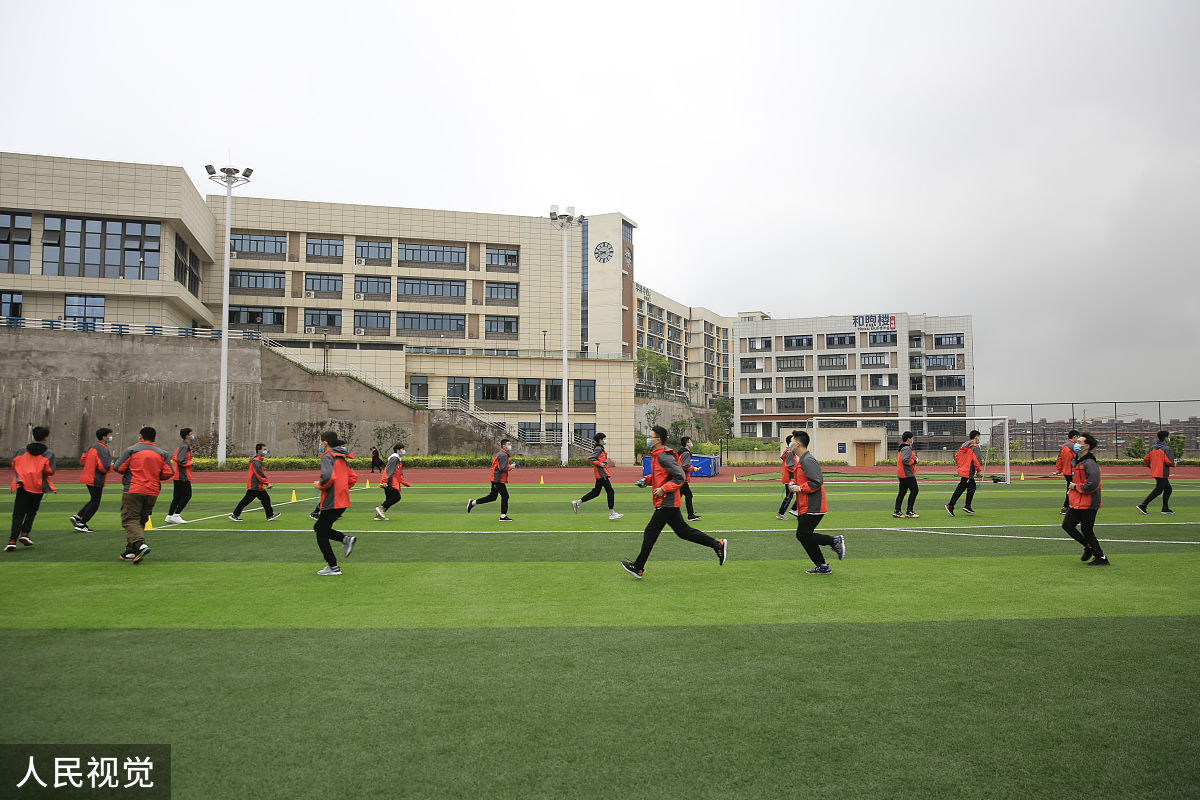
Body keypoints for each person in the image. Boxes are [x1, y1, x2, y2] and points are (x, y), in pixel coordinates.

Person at [620, 425, 726, 579]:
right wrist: (646, 480)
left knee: (651, 532)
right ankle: (718, 545)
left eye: (650, 437)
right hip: (667, 502)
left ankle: (638, 567)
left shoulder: (664, 456)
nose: (648, 439)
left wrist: (664, 489)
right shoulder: (657, 456)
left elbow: (680, 476)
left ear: (658, 440)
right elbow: (659, 476)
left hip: (666, 502)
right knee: (684, 532)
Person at [113, 426, 174, 563]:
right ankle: (131, 550)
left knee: (129, 519)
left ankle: (139, 545)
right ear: (154, 438)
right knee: (140, 520)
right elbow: (169, 472)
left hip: (134, 489)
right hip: (152, 491)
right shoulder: (162, 453)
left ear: (140, 436)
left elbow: (118, 467)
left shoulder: (131, 450)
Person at [787, 429, 845, 574]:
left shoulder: (808, 460)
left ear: (798, 444)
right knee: (805, 537)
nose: (790, 443)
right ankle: (822, 566)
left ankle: (834, 541)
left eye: (792, 440)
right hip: (804, 506)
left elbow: (817, 482)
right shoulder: (802, 461)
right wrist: (794, 484)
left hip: (813, 505)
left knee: (802, 535)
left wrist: (799, 488)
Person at [313, 431, 358, 576]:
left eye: (320, 442)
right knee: (321, 528)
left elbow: (327, 477)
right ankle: (344, 540)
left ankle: (333, 566)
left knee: (320, 530)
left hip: (332, 500)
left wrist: (319, 485)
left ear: (325, 442)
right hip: (342, 499)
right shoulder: (341, 457)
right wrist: (342, 488)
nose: (320, 444)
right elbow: (353, 477)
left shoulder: (327, 456)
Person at [8, 426, 56, 551]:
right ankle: (25, 533)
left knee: (18, 513)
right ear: (46, 437)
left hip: (23, 484)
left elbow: (13, 464)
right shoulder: (49, 453)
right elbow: (50, 471)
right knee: (31, 511)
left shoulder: (21, 451)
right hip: (38, 485)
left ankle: (12, 540)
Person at [1063, 432, 1108, 565]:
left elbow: (1093, 483)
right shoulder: (1076, 461)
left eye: (1079, 442)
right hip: (1077, 501)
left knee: (1087, 529)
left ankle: (1101, 557)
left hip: (1089, 502)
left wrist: (1076, 487)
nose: (1076, 444)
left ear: (1087, 446)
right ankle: (1088, 546)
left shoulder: (1089, 463)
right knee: (1067, 525)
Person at [572, 432, 623, 520]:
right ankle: (612, 513)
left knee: (596, 492)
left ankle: (578, 502)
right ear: (600, 440)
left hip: (601, 473)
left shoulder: (600, 448)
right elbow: (590, 458)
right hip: (602, 474)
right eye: (604, 439)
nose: (605, 441)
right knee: (610, 491)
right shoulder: (599, 449)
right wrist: (600, 464)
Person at [72, 427, 113, 532]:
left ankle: (78, 516)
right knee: (95, 503)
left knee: (93, 499)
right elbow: (104, 467)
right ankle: (82, 523)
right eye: (109, 435)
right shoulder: (103, 449)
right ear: (104, 437)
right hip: (96, 478)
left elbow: (82, 461)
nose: (110, 437)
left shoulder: (92, 447)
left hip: (87, 476)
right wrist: (112, 466)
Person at [467, 438, 517, 521]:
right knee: (493, 497)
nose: (510, 446)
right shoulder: (503, 455)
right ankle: (472, 503)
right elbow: (502, 468)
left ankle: (503, 516)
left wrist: (509, 466)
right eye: (508, 444)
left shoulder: (502, 454)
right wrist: (511, 467)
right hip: (497, 479)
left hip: (497, 479)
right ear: (503, 446)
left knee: (504, 496)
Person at [229, 443, 282, 522]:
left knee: (265, 499)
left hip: (257, 486)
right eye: (263, 450)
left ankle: (270, 515)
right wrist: (267, 483)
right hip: (255, 486)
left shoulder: (257, 460)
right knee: (246, 501)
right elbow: (259, 474)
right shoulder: (256, 461)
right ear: (258, 450)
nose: (265, 451)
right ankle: (235, 514)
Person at [945, 430, 984, 516]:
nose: (979, 439)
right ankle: (950, 505)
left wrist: (961, 465)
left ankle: (967, 506)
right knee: (961, 488)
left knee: (972, 486)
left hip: (963, 469)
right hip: (968, 471)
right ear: (976, 437)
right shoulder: (975, 447)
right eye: (979, 437)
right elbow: (977, 460)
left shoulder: (964, 445)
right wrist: (978, 470)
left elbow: (957, 457)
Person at [1137, 430, 1176, 515]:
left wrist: (1151, 466)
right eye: (1168, 437)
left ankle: (1165, 508)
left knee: (1168, 489)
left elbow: (1146, 459)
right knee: (1158, 490)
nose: (1168, 438)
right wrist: (1175, 463)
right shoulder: (1166, 448)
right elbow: (1170, 462)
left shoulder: (1153, 448)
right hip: (1162, 472)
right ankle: (1143, 505)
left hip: (1155, 471)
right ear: (1165, 438)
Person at [165, 427, 195, 524]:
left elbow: (175, 457)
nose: (192, 435)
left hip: (178, 474)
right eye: (191, 434)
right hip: (182, 475)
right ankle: (176, 514)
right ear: (187, 436)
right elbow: (179, 459)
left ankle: (169, 515)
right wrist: (190, 463)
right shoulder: (184, 446)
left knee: (177, 496)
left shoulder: (183, 445)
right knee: (187, 495)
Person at [375, 443, 411, 521]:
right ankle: (380, 509)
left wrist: (405, 483)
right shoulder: (394, 458)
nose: (404, 451)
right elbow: (388, 471)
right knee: (396, 497)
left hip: (392, 482)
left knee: (389, 499)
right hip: (389, 482)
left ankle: (378, 515)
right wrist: (385, 481)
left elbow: (398, 474)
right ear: (398, 450)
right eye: (402, 449)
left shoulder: (398, 460)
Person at [1052, 430, 1081, 515]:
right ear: (1075, 437)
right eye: (1078, 437)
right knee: (1073, 489)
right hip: (1073, 472)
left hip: (1066, 472)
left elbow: (1059, 459)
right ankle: (1066, 507)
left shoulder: (1063, 446)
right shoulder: (1075, 447)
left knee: (1070, 488)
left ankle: (1068, 507)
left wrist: (1059, 470)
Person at [893, 431, 920, 518]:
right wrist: (914, 461)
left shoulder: (903, 448)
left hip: (902, 474)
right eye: (912, 438)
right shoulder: (907, 448)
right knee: (914, 490)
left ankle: (897, 511)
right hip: (907, 474)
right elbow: (905, 459)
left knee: (902, 492)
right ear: (909, 439)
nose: (913, 439)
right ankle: (909, 511)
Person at [677, 436, 702, 521]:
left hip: (680, 477)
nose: (691, 443)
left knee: (686, 495)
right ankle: (689, 515)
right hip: (681, 478)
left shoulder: (681, 452)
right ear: (687, 443)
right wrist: (693, 468)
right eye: (690, 442)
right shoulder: (686, 453)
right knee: (683, 496)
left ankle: (690, 515)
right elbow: (684, 465)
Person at [776, 434, 798, 520]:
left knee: (798, 493)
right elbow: (790, 466)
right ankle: (781, 513)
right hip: (790, 478)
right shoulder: (789, 453)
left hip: (791, 478)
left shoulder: (791, 452)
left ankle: (794, 509)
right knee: (789, 496)